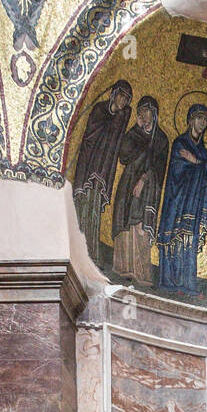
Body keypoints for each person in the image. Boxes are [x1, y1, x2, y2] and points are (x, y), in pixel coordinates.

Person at [156, 103, 207, 293]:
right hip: (177, 200)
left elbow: (203, 171)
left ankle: (187, 284)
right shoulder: (180, 143)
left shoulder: (204, 152)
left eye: (206, 120)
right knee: (174, 237)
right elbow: (189, 168)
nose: (203, 123)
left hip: (193, 203)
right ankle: (169, 282)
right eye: (199, 118)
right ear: (190, 120)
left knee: (189, 239)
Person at [72, 80, 133, 261]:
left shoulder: (120, 116)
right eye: (122, 96)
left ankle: (91, 252)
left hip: (103, 168)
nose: (124, 102)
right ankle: (77, 248)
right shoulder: (100, 110)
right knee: (84, 205)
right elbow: (91, 136)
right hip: (90, 166)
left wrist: (121, 116)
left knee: (95, 209)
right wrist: (117, 118)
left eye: (127, 100)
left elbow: (116, 141)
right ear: (114, 94)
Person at [111, 94, 169, 283]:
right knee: (126, 222)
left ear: (154, 113)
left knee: (140, 226)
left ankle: (142, 273)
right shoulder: (134, 134)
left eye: (145, 110)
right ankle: (124, 268)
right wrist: (137, 130)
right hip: (128, 183)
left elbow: (160, 167)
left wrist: (143, 180)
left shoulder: (161, 139)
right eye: (140, 111)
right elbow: (123, 156)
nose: (142, 115)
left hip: (148, 188)